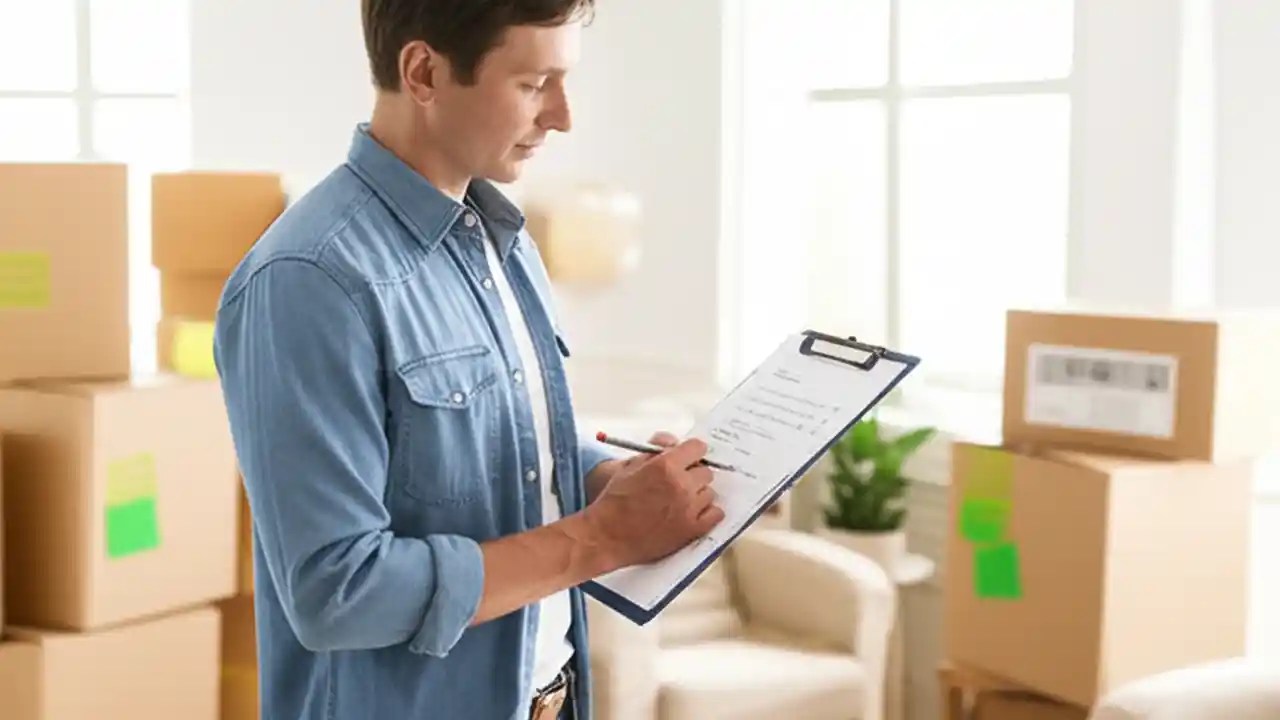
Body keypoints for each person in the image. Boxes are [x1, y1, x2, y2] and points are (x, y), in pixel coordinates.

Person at [212, 1, 726, 719]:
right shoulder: (309, 280)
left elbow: (503, 442)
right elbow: (339, 590)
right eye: (534, 84)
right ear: (424, 73)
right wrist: (601, 537)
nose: (563, 117)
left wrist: (610, 480)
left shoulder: (503, 241)